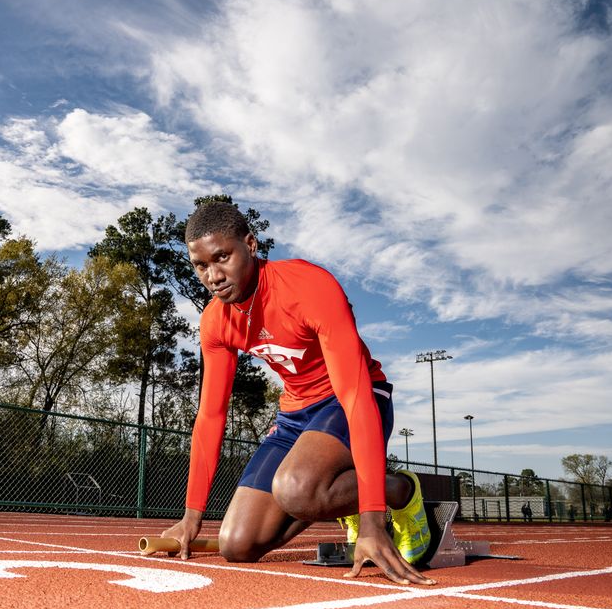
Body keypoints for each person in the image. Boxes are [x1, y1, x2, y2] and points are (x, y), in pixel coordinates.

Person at [154, 200, 435, 586]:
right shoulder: (215, 321)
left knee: (296, 490)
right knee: (237, 544)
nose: (213, 276)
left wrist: (373, 521)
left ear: (250, 245)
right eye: (201, 265)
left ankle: (400, 490)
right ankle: (341, 494)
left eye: (222, 257)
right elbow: (211, 415)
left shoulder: (308, 287)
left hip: (353, 396)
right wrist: (191, 516)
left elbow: (354, 395)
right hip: (295, 414)